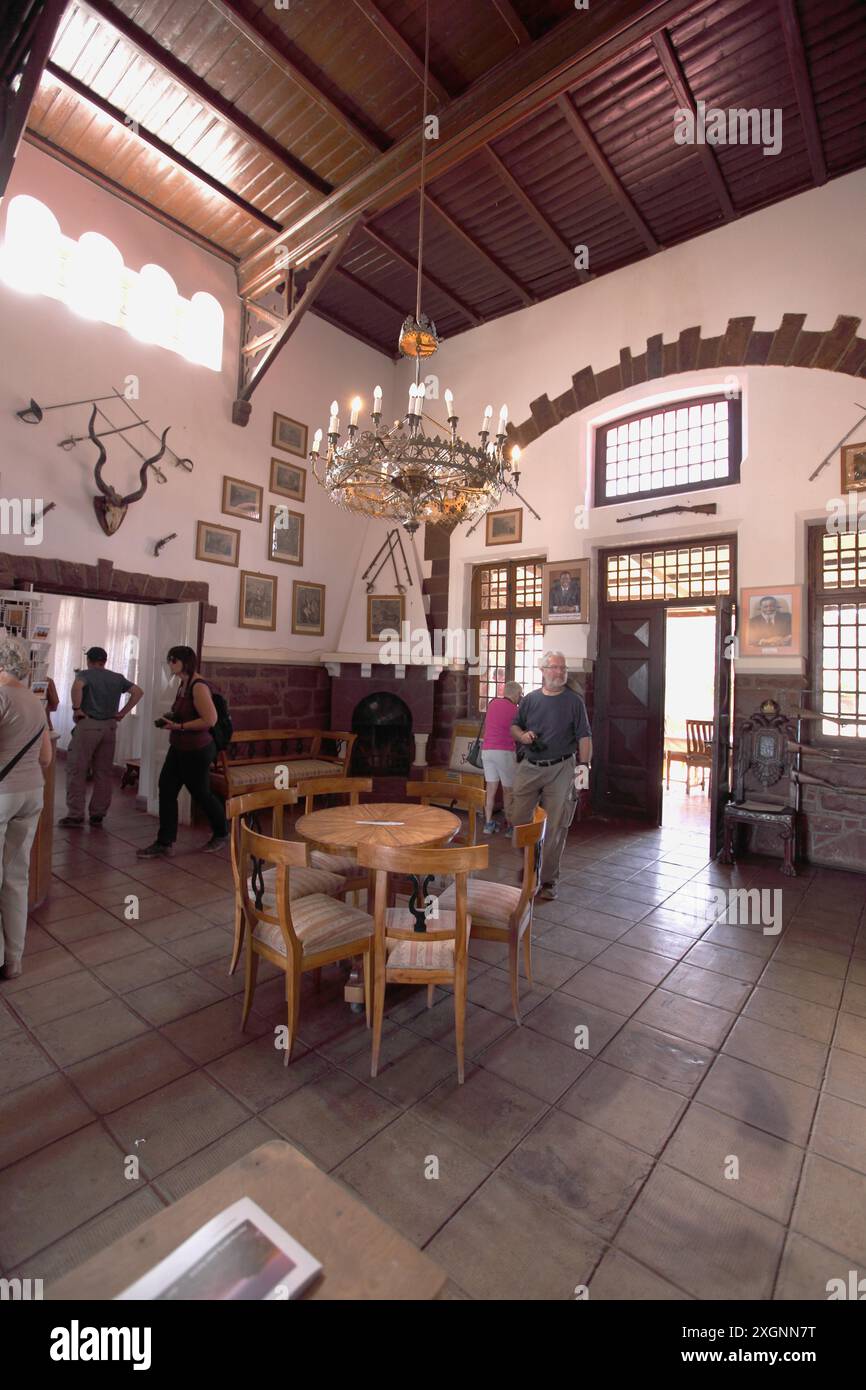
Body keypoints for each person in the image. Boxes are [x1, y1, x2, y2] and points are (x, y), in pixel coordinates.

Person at [509, 651, 592, 900]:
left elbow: (585, 737)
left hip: (562, 768)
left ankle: (547, 880)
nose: (560, 672)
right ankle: (530, 861)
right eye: (555, 668)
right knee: (518, 819)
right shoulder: (530, 700)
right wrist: (522, 736)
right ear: (543, 670)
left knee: (557, 825)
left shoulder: (574, 702)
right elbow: (515, 726)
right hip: (530, 766)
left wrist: (584, 769)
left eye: (563, 668)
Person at [138, 646, 228, 858]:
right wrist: (171, 718)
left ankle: (222, 832)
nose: (170, 663)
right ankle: (164, 842)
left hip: (197, 749)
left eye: (173, 660)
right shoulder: (183, 684)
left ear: (184, 662)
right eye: (169, 659)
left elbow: (209, 720)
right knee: (167, 788)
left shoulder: (198, 686)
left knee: (201, 793)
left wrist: (179, 727)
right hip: (179, 747)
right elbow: (186, 712)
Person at [0, 636, 54, 980]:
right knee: (16, 877)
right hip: (32, 792)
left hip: (2, 795)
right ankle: (14, 959)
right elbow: (47, 757)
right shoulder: (35, 700)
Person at [58, 647, 142, 828]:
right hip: (110, 727)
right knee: (103, 772)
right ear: (105, 660)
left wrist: (77, 709)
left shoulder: (85, 675)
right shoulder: (117, 677)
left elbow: (77, 687)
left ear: (89, 660)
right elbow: (137, 692)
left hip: (89, 725)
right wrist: (122, 713)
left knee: (77, 769)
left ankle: (75, 814)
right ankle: (98, 814)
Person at [480, 680, 522, 834]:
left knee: (490, 789)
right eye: (520, 694)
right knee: (508, 790)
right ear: (516, 694)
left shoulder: (492, 704)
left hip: (487, 750)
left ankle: (488, 824)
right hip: (504, 751)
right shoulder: (515, 710)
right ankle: (510, 826)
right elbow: (519, 732)